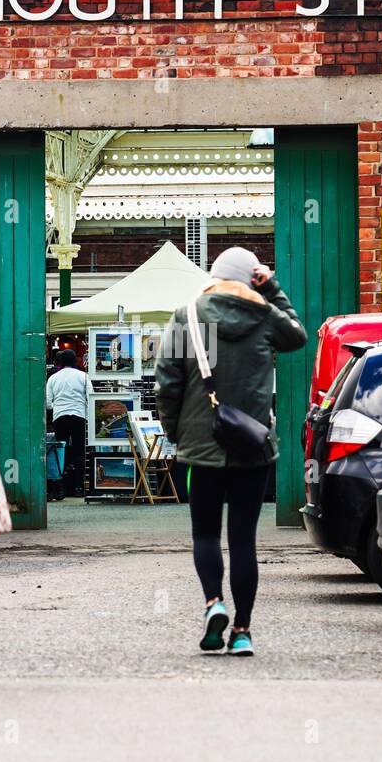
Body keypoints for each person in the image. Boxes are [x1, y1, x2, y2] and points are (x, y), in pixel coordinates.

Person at [155, 247, 306, 656]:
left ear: (214, 275)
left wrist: (176, 432)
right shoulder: (264, 318)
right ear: (250, 279)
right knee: (243, 541)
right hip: (252, 450)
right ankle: (242, 631)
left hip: (201, 450)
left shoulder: (187, 315)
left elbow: (167, 383)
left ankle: (213, 604)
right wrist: (273, 289)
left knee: (205, 533)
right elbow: (298, 335)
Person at [45, 348, 90, 500]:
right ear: (75, 361)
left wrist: (59, 405)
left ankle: (60, 487)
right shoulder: (84, 376)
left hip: (60, 417)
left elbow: (48, 404)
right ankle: (79, 487)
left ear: (60, 362)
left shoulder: (53, 378)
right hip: (79, 416)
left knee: (61, 452)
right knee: (79, 451)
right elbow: (91, 397)